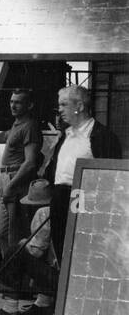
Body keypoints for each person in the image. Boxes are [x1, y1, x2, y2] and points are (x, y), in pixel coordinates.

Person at [43, 85, 122, 263]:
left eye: (64, 105)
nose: (60, 110)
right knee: (62, 251)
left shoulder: (101, 136)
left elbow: (112, 180)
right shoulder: (65, 135)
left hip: (85, 200)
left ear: (79, 106)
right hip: (60, 199)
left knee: (82, 255)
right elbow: (53, 172)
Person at [0, 90, 44, 315]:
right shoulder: (17, 124)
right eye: (11, 102)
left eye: (18, 102)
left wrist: (12, 185)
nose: (13, 106)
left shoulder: (30, 126)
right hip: (5, 178)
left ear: (29, 105)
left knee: (12, 235)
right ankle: (10, 286)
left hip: (15, 180)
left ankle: (15, 293)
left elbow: (30, 161)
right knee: (2, 235)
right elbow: (6, 137)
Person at [18, 179, 57, 315]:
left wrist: (23, 244)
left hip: (53, 272)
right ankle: (42, 302)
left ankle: (10, 304)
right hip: (58, 269)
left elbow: (37, 250)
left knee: (17, 251)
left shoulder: (43, 212)